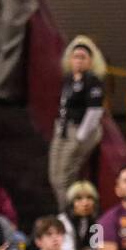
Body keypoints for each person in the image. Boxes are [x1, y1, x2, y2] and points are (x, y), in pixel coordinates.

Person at [48, 36, 105, 209]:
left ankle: (68, 215)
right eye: (75, 56)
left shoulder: (92, 81)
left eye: (83, 57)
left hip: (78, 130)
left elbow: (95, 111)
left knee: (65, 176)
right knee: (54, 175)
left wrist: (80, 136)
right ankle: (64, 211)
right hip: (62, 129)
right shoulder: (68, 80)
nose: (78, 60)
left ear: (91, 61)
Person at [59, 180, 99, 250]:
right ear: (71, 203)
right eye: (79, 199)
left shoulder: (98, 221)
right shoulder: (62, 221)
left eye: (89, 198)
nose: (85, 203)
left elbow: (100, 247)